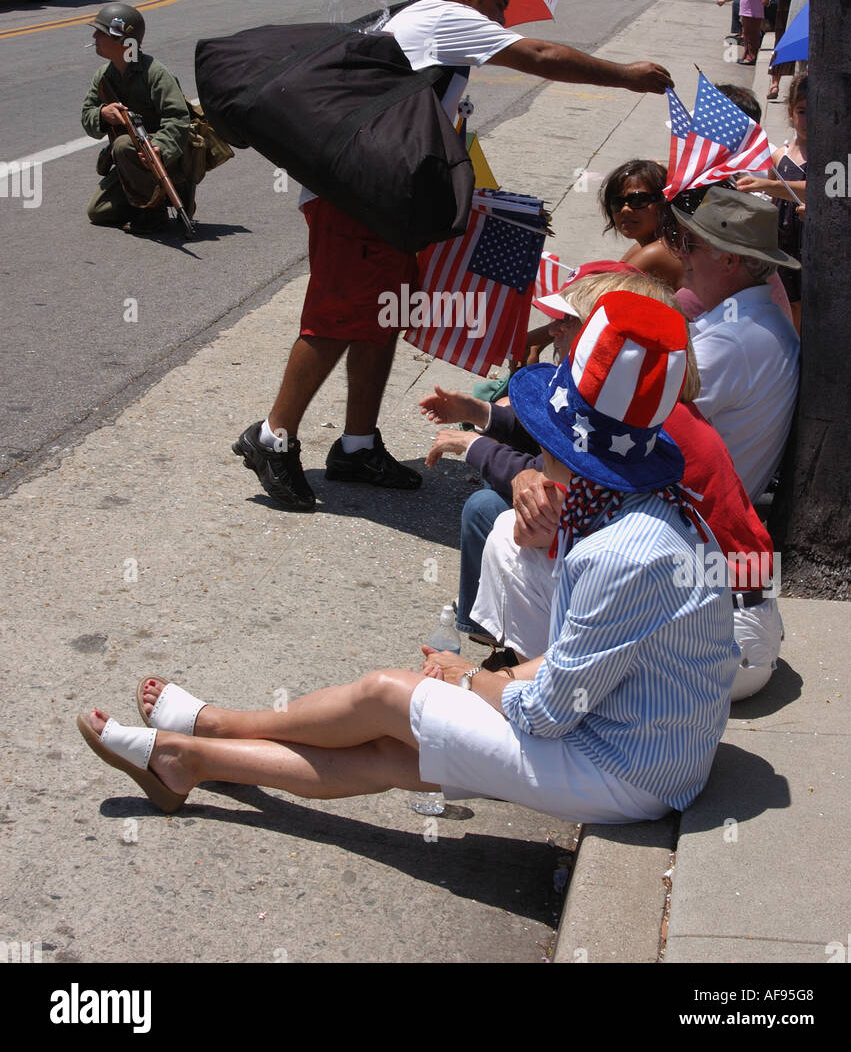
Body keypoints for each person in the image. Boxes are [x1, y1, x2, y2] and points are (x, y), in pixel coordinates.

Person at [79, 292, 739, 825]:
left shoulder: (622, 552)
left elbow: (548, 712)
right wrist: (488, 680)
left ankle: (211, 727)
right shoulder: (642, 509)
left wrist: (461, 678)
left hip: (625, 770)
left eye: (548, 434)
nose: (538, 447)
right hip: (648, 745)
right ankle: (191, 757)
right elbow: (582, 659)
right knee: (397, 751)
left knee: (388, 695)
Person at [233, 0, 675, 511]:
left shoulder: (428, 31)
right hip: (352, 197)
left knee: (382, 316)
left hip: (383, 198)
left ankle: (358, 444)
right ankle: (273, 436)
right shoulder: (444, 16)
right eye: (496, 5)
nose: (499, 22)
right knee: (334, 316)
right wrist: (626, 76)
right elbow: (539, 54)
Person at [429, 269, 781, 701]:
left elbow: (541, 506)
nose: (558, 329)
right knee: (515, 520)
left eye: (574, 322)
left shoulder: (639, 419)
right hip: (734, 626)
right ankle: (511, 670)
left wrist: (478, 448)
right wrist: (486, 417)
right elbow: (553, 444)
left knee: (504, 530)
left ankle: (514, 682)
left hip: (710, 651)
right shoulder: (645, 409)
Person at [668, 186, 800, 500]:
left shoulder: (732, 340)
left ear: (729, 260)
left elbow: (635, 420)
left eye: (690, 243)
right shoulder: (756, 321)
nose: (682, 254)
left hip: (686, 522)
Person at [81, 3, 193, 233]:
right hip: (131, 160)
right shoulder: (104, 76)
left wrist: (161, 146)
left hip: (164, 157)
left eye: (101, 33)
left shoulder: (155, 74)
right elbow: (87, 116)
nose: (94, 36)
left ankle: (156, 209)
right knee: (99, 211)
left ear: (124, 42)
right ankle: (145, 199)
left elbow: (179, 118)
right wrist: (103, 115)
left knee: (122, 145)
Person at [737, 73, 807, 332]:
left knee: (801, 304)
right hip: (783, 237)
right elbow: (772, 199)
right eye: (801, 111)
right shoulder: (780, 155)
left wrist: (768, 186)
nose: (807, 120)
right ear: (790, 113)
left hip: (807, 239)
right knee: (782, 299)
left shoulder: (829, 156)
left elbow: (817, 191)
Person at [597, 158, 683, 288]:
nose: (625, 209)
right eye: (617, 202)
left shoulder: (656, 253)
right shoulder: (645, 246)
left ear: (664, 202)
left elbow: (603, 295)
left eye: (638, 200)